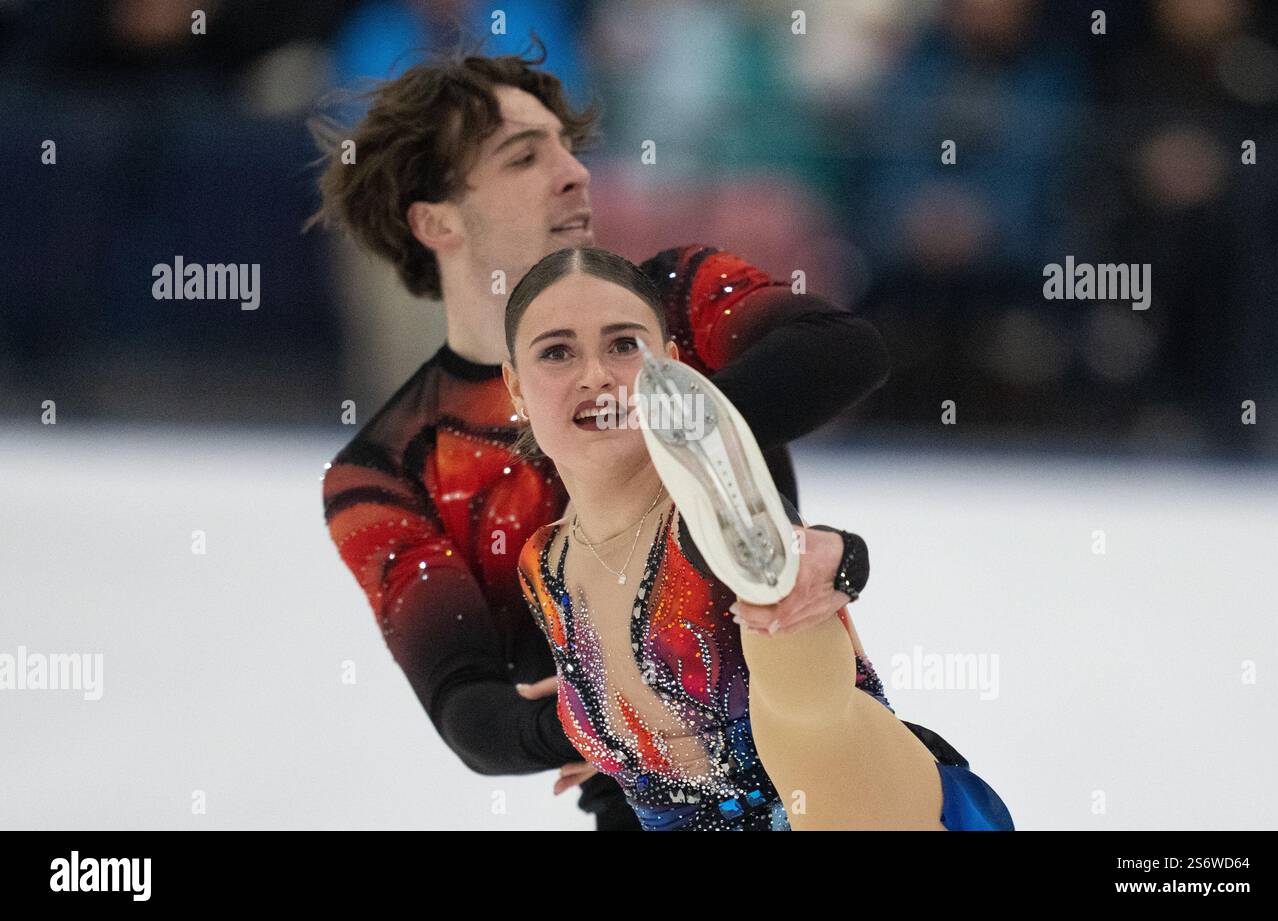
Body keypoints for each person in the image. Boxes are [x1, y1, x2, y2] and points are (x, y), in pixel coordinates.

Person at [310, 41, 899, 830]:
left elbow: (845, 349)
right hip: (649, 805)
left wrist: (687, 430)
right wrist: (607, 709)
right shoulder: (391, 469)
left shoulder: (671, 302)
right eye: (525, 157)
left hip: (817, 739)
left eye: (568, 146)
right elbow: (471, 712)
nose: (576, 172)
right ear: (434, 219)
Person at [506, 246, 1015, 830]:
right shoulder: (543, 565)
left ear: (673, 367)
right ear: (516, 387)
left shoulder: (696, 528)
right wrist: (609, 737)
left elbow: (850, 349)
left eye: (624, 346)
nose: (595, 375)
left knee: (792, 682)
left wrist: (836, 557)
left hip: (861, 796)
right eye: (557, 352)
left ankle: (770, 572)